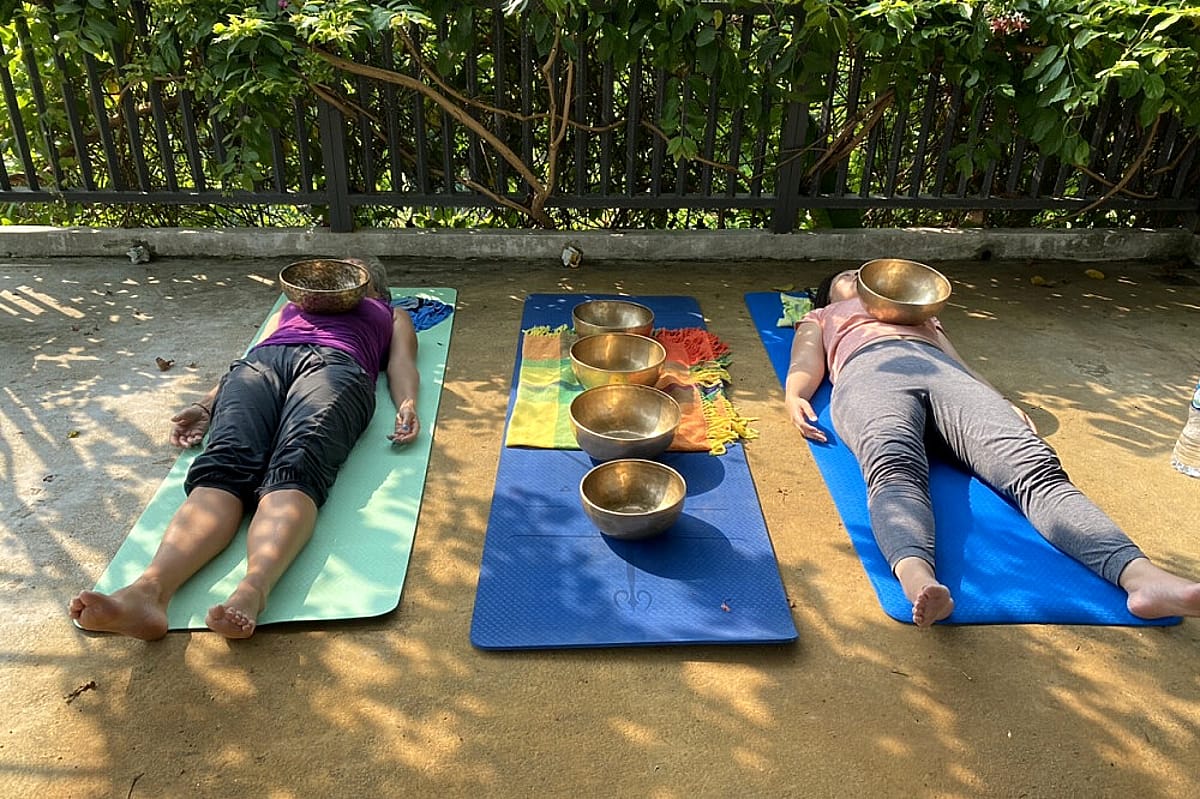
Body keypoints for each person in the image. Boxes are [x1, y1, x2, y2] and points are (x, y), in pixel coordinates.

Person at [785, 267, 1200, 628]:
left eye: (860, 273)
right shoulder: (823, 316)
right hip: (870, 373)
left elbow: (959, 363)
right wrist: (795, 395)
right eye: (846, 277)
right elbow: (805, 361)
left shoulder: (920, 314)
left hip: (946, 377)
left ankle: (1143, 579)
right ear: (828, 296)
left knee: (1034, 468)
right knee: (894, 467)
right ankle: (919, 581)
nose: (856, 277)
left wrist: (998, 399)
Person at [69, 258, 420, 640]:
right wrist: (206, 406)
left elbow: (401, 363)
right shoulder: (292, 307)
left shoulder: (391, 314)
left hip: (336, 365)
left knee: (296, 464)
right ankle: (148, 593)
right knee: (223, 465)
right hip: (261, 365)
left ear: (375, 288)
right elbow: (252, 352)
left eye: (353, 270)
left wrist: (407, 403)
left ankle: (253, 589)